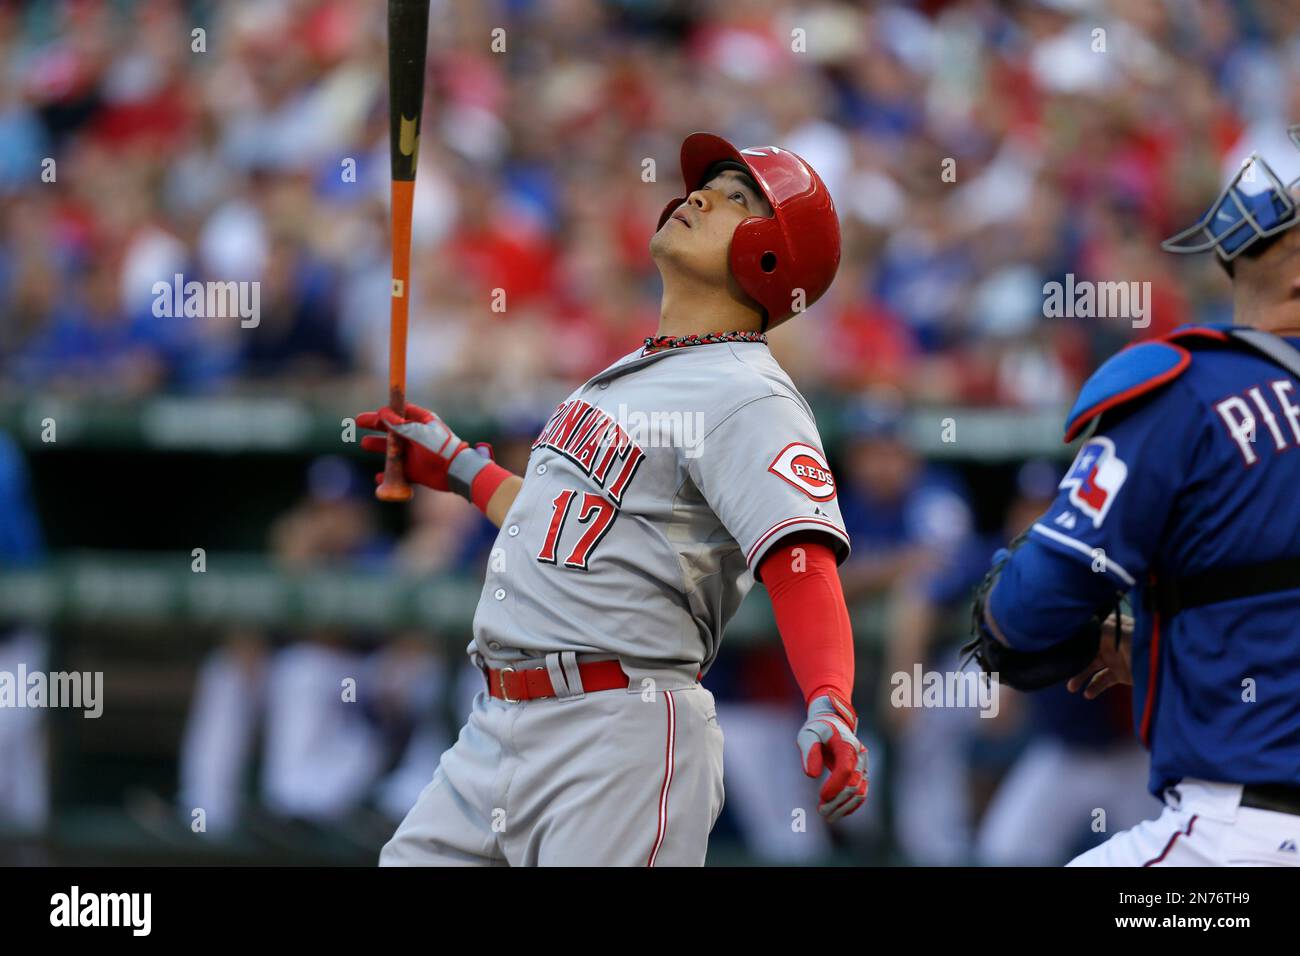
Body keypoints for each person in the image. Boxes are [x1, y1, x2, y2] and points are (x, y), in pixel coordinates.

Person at [359, 132, 867, 866]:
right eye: (706, 186)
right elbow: (562, 528)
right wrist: (466, 469)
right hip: (497, 724)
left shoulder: (747, 391)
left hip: (620, 730)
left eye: (734, 199)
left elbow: (800, 557)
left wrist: (830, 696)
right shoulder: (634, 371)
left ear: (769, 255)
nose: (697, 196)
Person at [969, 126, 1300, 866]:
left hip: (1239, 836)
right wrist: (1167, 639)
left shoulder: (1190, 388)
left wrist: (1016, 611)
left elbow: (1023, 613)